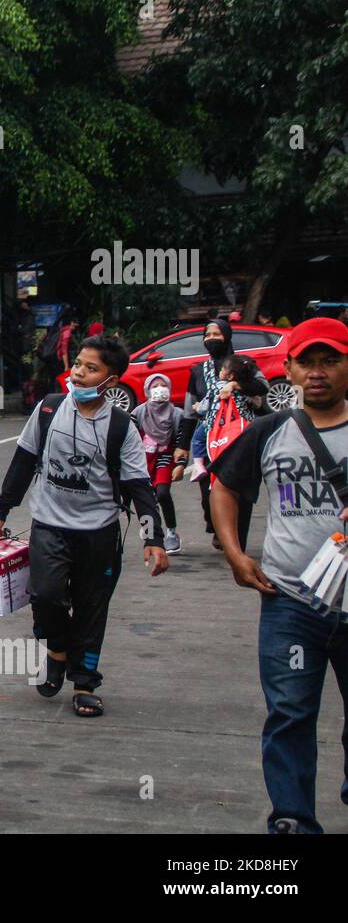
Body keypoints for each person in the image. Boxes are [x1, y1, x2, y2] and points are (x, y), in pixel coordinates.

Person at [210, 317, 348, 834]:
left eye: (330, 360)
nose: (318, 373)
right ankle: (292, 822)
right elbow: (223, 486)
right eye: (307, 362)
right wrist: (235, 554)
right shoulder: (270, 431)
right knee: (290, 716)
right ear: (287, 368)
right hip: (291, 601)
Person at [0, 334, 169, 717]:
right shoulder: (50, 409)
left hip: (99, 533)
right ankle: (57, 650)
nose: (80, 374)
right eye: (78, 365)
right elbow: (23, 461)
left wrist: (153, 537)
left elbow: (139, 486)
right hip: (49, 525)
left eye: (91, 368)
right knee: (46, 595)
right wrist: (1, 509)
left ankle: (85, 683)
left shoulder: (122, 428)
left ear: (111, 380)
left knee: (91, 608)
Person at [183, 319, 269, 549]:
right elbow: (189, 411)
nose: (211, 338)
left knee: (242, 491)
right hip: (211, 438)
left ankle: (237, 540)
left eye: (217, 334)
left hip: (241, 437)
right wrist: (182, 448)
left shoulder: (243, 364)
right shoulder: (198, 370)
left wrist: (237, 385)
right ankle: (217, 526)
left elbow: (263, 389)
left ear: (227, 336)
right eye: (207, 334)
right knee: (207, 492)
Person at [131, 374, 188, 554]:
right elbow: (128, 438)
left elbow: (182, 442)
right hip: (142, 460)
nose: (159, 389)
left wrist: (181, 464)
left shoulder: (177, 414)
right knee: (146, 499)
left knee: (162, 493)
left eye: (164, 385)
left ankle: (171, 533)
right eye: (155, 386)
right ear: (148, 390)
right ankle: (151, 535)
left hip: (165, 456)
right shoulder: (138, 412)